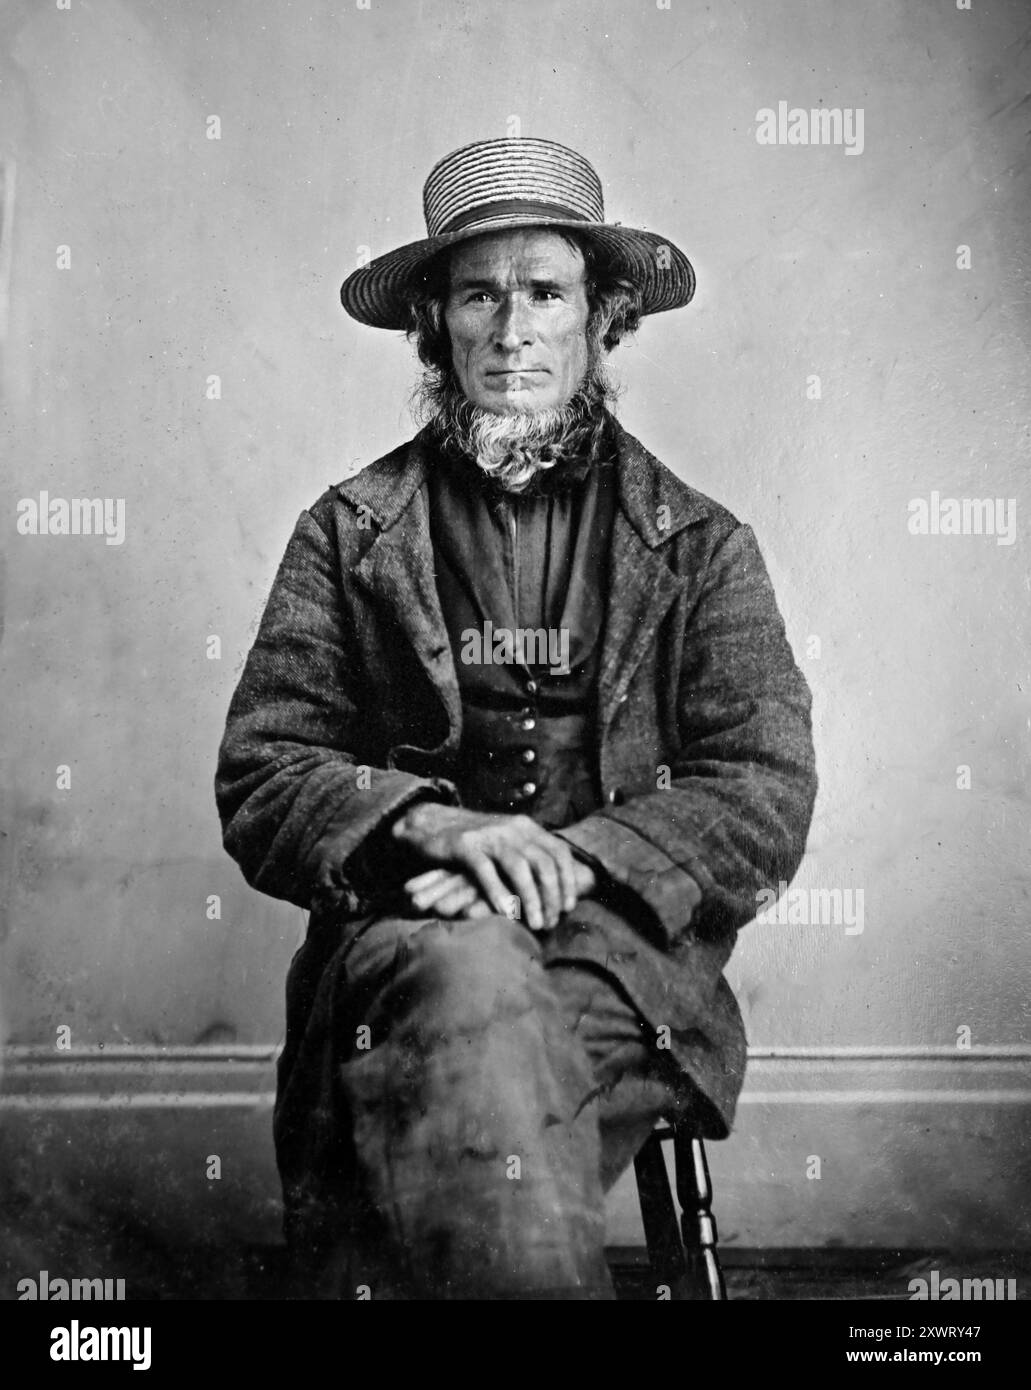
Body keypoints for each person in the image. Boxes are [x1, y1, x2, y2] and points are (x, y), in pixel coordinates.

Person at [215, 136, 818, 1299]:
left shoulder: (698, 547)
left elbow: (761, 789)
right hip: (404, 944)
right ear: (431, 323)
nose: (510, 328)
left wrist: (560, 859)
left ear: (605, 321)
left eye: (544, 291)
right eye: (477, 293)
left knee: (468, 1077)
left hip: (621, 968)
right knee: (465, 996)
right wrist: (435, 832)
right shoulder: (348, 535)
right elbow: (263, 772)